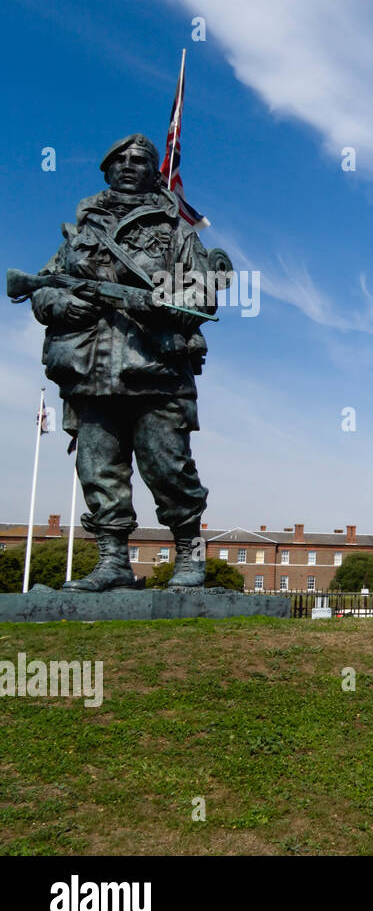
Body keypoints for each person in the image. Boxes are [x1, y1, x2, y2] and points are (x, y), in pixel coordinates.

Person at [29, 133, 215, 590]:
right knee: (98, 468)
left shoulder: (177, 232)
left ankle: (189, 553)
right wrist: (59, 304)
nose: (130, 166)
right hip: (90, 367)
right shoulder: (80, 233)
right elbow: (43, 287)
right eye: (121, 160)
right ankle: (112, 562)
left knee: (168, 467)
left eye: (141, 160)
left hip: (156, 369)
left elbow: (204, 294)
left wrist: (158, 300)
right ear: (107, 169)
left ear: (155, 172)